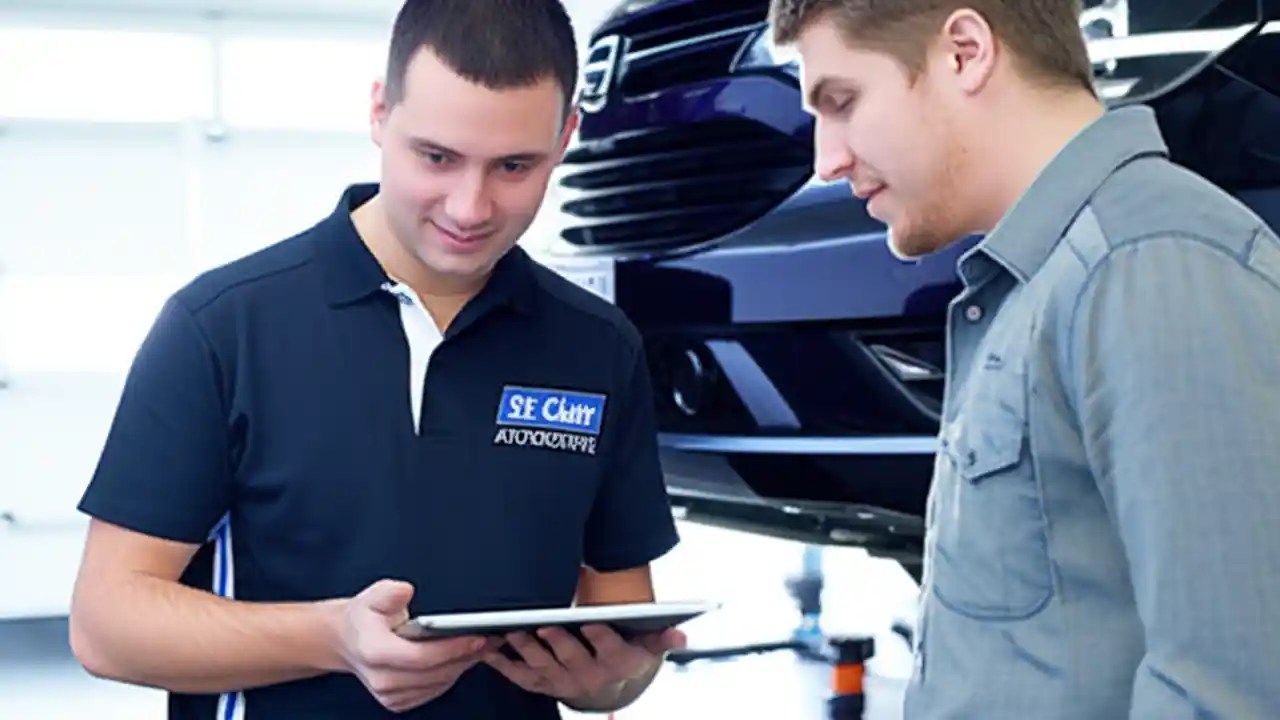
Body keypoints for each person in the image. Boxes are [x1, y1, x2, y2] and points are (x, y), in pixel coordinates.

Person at [68, 1, 686, 717]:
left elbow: (624, 638)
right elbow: (106, 625)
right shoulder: (223, 327)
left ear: (567, 135)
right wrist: (333, 637)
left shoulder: (599, 347)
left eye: (514, 166)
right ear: (379, 114)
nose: (469, 206)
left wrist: (605, 683)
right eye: (437, 157)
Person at [769, 1, 1280, 718]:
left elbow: (1233, 691)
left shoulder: (1152, 262)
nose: (826, 161)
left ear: (965, 51)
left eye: (842, 101)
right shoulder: (1044, 283)